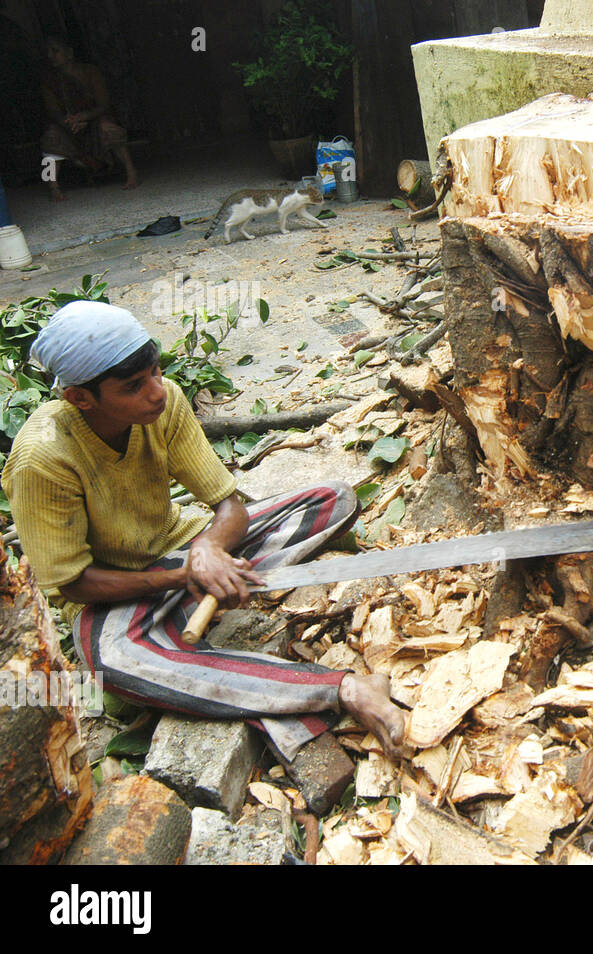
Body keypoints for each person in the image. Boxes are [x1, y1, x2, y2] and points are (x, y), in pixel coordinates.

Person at [1, 301, 404, 760]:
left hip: (182, 547)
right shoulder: (43, 459)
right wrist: (185, 576)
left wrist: (209, 549)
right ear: (81, 398)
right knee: (114, 662)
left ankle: (193, 608)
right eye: (135, 386)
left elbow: (229, 506)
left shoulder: (166, 401)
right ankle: (344, 690)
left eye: (156, 372)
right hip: (116, 593)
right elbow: (72, 583)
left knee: (332, 499)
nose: (156, 392)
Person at [39, 37, 140, 200]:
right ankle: (53, 187)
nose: (50, 56)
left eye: (55, 51)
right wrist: (71, 122)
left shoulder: (90, 72)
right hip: (68, 125)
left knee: (110, 130)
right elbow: (53, 111)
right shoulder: (49, 81)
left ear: (69, 53)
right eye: (47, 52)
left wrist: (85, 117)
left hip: (94, 119)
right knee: (50, 139)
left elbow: (104, 104)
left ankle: (131, 172)